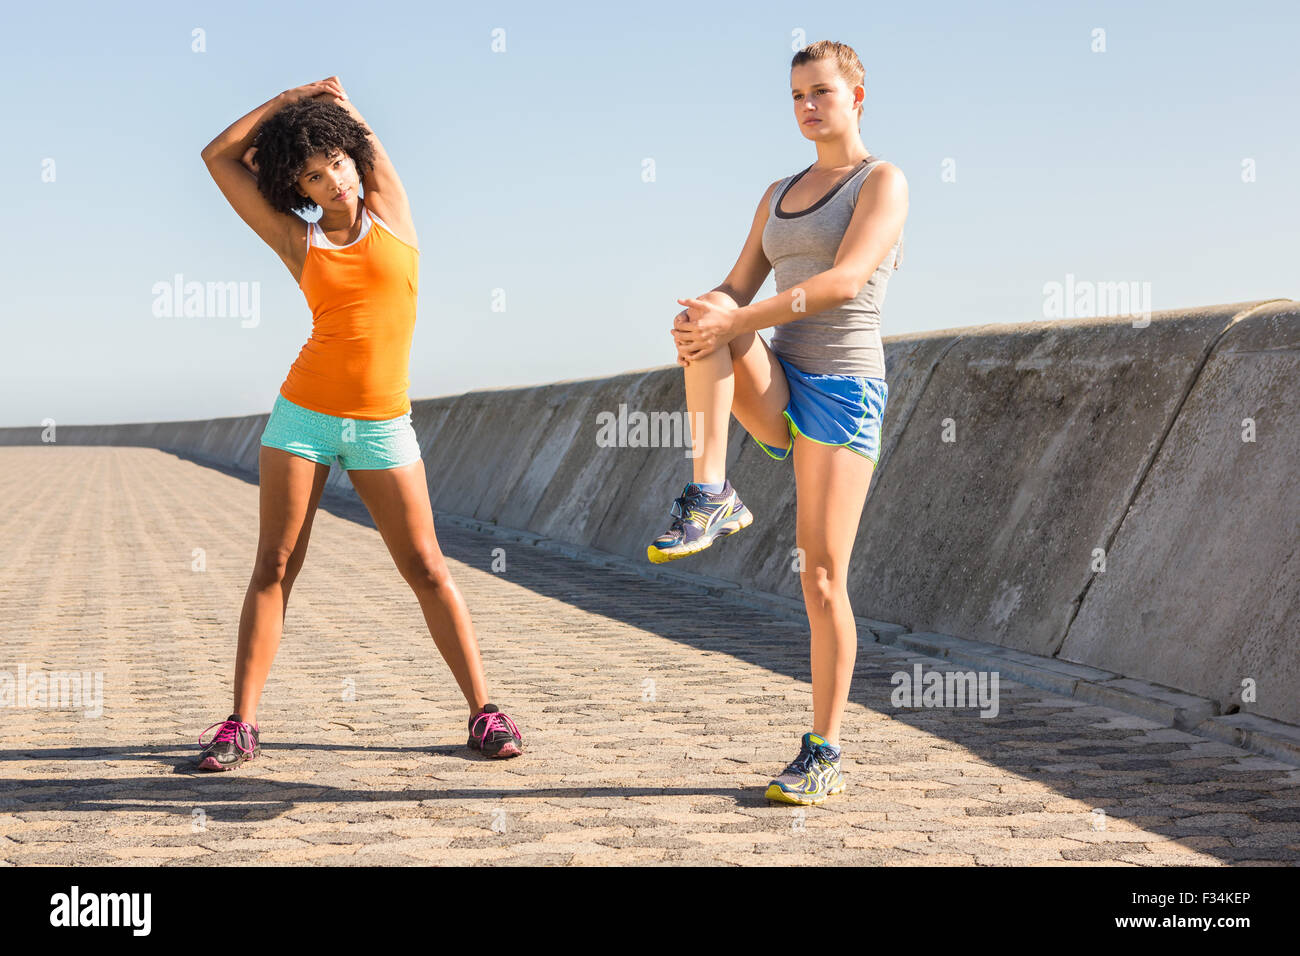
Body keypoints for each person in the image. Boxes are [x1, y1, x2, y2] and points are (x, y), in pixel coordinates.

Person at [196, 76, 522, 770]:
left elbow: (361, 134)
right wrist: (286, 99)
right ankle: (242, 725)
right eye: (313, 175)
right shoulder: (297, 240)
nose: (334, 181)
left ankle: (485, 713)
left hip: (381, 426)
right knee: (275, 566)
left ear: (351, 155)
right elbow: (217, 158)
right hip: (302, 419)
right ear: (298, 187)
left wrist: (328, 105)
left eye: (337, 163)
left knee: (429, 568)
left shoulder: (393, 215)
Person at [649, 42, 908, 805]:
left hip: (843, 389)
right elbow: (735, 286)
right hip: (780, 376)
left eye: (822, 92)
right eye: (797, 95)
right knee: (708, 315)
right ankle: (710, 493)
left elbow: (844, 281)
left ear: (857, 96)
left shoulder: (881, 181)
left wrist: (737, 315)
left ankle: (824, 750)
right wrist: (699, 315)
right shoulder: (777, 192)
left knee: (822, 576)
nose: (807, 107)